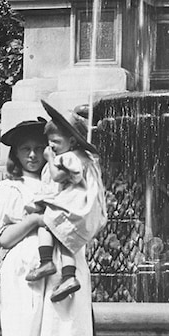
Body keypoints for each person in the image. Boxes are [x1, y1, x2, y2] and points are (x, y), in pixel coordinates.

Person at [0, 118, 97, 336]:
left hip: (62, 264)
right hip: (26, 268)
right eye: (25, 149)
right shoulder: (10, 188)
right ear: (14, 153)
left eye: (39, 148)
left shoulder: (64, 180)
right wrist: (35, 221)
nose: (32, 155)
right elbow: (2, 239)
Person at [22, 101, 107, 303]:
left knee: (45, 223)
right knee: (66, 241)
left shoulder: (68, 157)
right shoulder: (82, 157)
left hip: (74, 205)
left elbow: (58, 177)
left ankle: (46, 262)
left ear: (71, 141)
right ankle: (69, 277)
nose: (51, 146)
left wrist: (50, 158)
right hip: (80, 207)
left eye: (56, 142)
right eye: (49, 141)